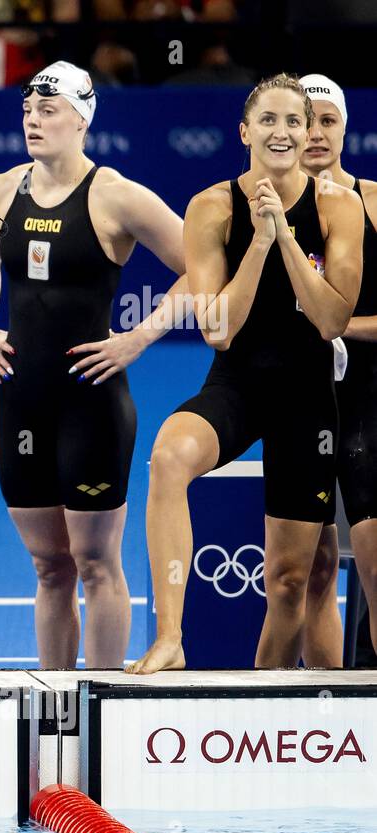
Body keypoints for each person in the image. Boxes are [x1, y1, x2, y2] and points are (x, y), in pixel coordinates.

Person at [129, 74, 363, 674]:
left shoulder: (340, 206)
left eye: (294, 121)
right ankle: (169, 638)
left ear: (307, 131)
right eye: (269, 121)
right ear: (245, 131)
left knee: (288, 583)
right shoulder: (211, 207)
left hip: (308, 397)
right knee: (169, 456)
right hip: (236, 385)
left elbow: (331, 318)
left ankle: (269, 701)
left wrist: (284, 235)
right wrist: (257, 244)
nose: (282, 132)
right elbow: (218, 330)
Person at [0, 61, 189, 669]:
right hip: (20, 397)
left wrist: (138, 338)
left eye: (48, 111)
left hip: (91, 402)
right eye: (28, 112)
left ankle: (106, 707)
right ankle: (57, 710)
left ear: (82, 119)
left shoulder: (118, 196)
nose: (33, 122)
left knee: (95, 563)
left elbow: (201, 267)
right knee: (48, 566)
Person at [289, 74, 377, 667]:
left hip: (368, 399)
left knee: (373, 559)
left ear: (346, 128)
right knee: (313, 568)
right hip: (298, 397)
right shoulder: (267, 206)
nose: (316, 133)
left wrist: (338, 325)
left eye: (329, 121)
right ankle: (328, 707)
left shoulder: (373, 200)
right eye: (304, 121)